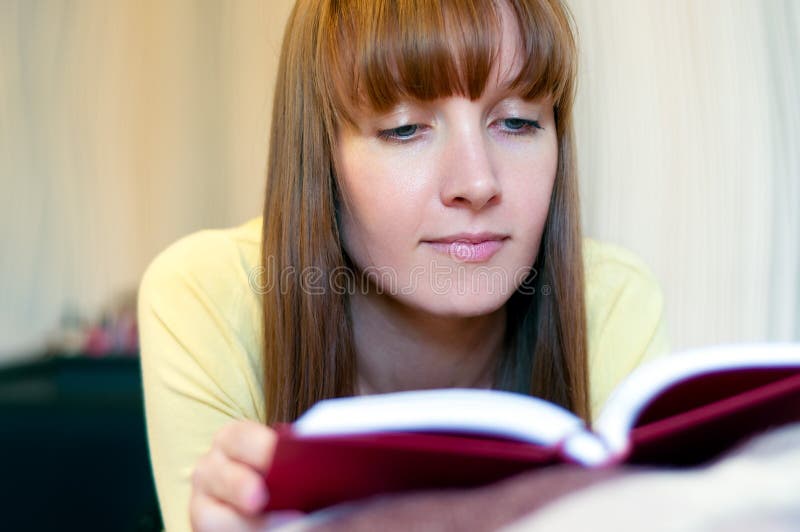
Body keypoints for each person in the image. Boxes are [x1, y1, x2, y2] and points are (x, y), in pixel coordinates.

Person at [137, 0, 670, 530]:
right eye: (405, 129)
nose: (477, 182)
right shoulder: (209, 295)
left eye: (516, 122)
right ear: (322, 156)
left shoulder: (609, 301)